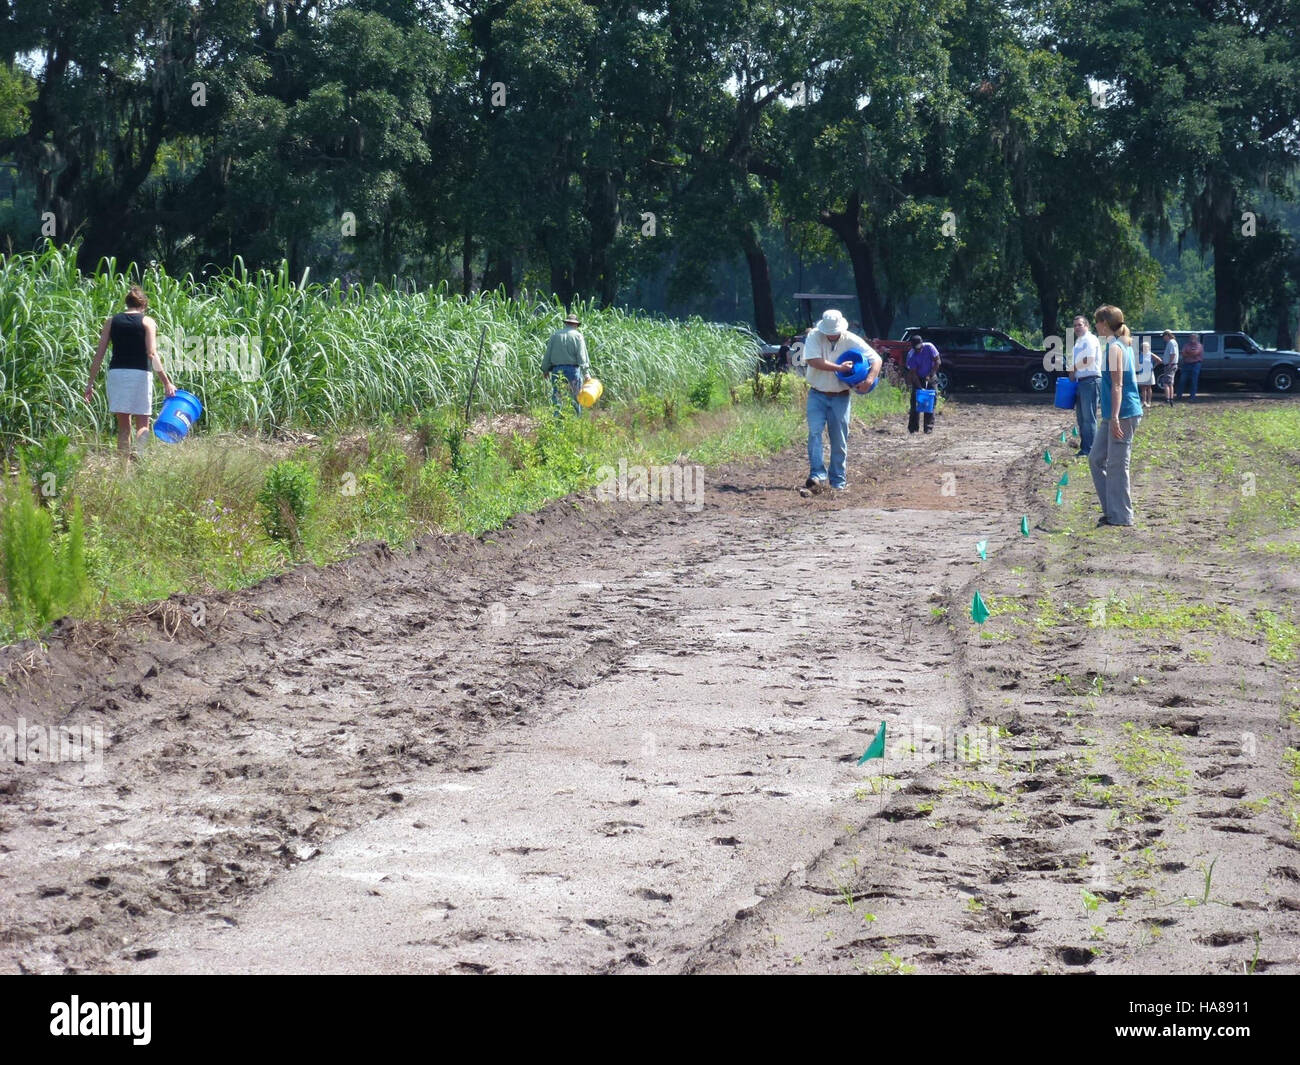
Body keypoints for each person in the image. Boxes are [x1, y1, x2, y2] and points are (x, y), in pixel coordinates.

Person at [84, 285, 176, 455]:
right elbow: (151, 353)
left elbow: (99, 354)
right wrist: (166, 382)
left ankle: (123, 471)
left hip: (117, 374)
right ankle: (140, 461)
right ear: (144, 305)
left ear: (127, 303)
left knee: (124, 426)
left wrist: (90, 383)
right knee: (143, 422)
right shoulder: (147, 321)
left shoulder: (111, 321)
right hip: (140, 374)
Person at [799, 309, 881, 495]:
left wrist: (869, 380)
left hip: (840, 396)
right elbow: (813, 361)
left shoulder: (850, 338)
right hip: (817, 394)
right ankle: (817, 476)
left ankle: (838, 481)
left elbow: (876, 358)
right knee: (814, 433)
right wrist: (840, 368)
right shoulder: (814, 336)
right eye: (828, 333)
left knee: (839, 440)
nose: (831, 335)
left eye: (834, 332)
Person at [1089, 305, 1143, 527]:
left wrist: (1115, 417)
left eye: (1097, 322)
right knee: (1095, 459)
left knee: (1118, 466)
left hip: (1123, 414)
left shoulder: (1116, 348)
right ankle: (1111, 510)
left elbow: (1118, 385)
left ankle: (1121, 517)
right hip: (1113, 414)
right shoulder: (1115, 345)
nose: (1095, 326)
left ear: (1105, 324)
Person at [541, 312, 590, 416]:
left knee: (557, 396)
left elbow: (548, 354)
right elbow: (582, 356)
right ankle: (576, 420)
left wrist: (545, 370)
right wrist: (586, 373)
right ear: (576, 325)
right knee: (576, 397)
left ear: (566, 323)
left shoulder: (555, 335)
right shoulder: (578, 336)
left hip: (557, 370)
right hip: (573, 370)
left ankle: (557, 420)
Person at [1070, 314, 1102, 455]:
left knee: (1089, 418)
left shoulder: (1090, 339)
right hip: (1081, 381)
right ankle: (1085, 448)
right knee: (1081, 418)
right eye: (1075, 325)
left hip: (1090, 380)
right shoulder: (1078, 342)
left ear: (1087, 326)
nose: (1077, 327)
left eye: (1080, 325)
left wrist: (1074, 369)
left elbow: (1089, 359)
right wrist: (1072, 373)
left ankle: (1090, 450)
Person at [904, 333, 940, 434]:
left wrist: (931, 374)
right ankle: (913, 428)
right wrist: (920, 388)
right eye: (916, 348)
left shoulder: (930, 347)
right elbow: (913, 374)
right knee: (916, 402)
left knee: (930, 401)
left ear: (922, 344)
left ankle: (928, 428)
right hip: (918, 377)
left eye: (920, 347)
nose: (918, 349)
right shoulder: (911, 356)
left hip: (931, 374)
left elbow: (938, 361)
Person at [1180, 332, 1204, 400]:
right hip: (1186, 364)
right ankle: (1179, 396)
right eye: (1191, 337)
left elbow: (1196, 353)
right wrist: (1191, 353)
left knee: (1194, 381)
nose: (1192, 339)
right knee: (1182, 380)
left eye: (1193, 337)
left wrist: (1188, 353)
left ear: (1197, 338)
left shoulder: (1199, 345)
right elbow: (1183, 353)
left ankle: (1192, 397)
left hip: (1196, 364)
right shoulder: (1186, 345)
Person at [1158, 329, 1179, 406]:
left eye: (1164, 336)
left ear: (1167, 335)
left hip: (1170, 365)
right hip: (1172, 364)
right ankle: (1170, 399)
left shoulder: (1171, 342)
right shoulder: (1172, 342)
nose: (1163, 338)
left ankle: (1168, 399)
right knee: (1170, 383)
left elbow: (1173, 354)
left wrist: (1169, 363)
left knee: (1166, 383)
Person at [1135, 337, 1156, 408]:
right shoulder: (1140, 354)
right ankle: (1144, 401)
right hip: (1141, 373)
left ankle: (1149, 401)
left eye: (1146, 347)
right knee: (1143, 388)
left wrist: (1153, 366)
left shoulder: (1150, 354)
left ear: (1149, 347)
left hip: (1149, 372)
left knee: (1149, 387)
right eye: (1144, 347)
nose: (1145, 348)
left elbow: (1159, 360)